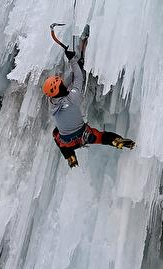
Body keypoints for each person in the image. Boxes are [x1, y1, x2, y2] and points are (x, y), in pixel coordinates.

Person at [45, 26, 134, 168]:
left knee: (56, 134)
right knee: (103, 137)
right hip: (83, 135)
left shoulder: (53, 102)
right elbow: (78, 78)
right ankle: (116, 141)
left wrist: (75, 65)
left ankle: (70, 157)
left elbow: (65, 84)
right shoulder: (72, 97)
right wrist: (73, 61)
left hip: (67, 142)